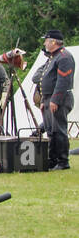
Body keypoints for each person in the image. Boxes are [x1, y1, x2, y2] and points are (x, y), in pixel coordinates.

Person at [38, 30, 73, 170]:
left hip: (59, 99)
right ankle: (52, 159)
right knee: (50, 131)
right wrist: (43, 100)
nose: (45, 43)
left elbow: (63, 81)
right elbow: (43, 79)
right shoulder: (53, 57)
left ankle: (63, 161)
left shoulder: (64, 57)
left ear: (53, 42)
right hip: (48, 98)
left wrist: (55, 100)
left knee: (59, 130)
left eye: (46, 41)